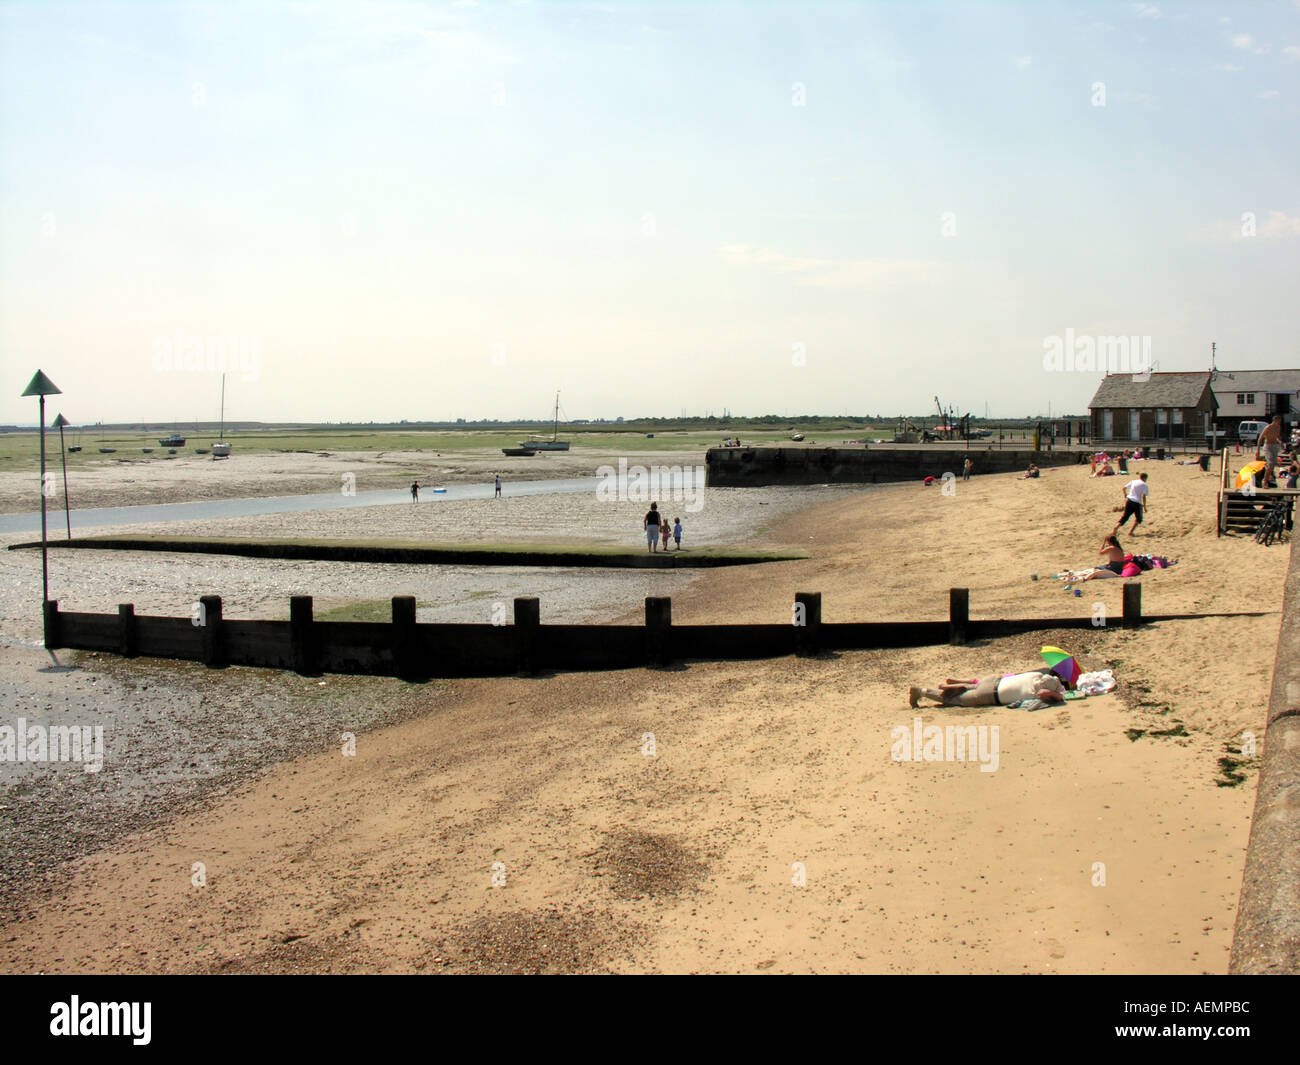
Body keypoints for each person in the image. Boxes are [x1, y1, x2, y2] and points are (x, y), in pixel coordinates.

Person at [909, 670, 1065, 708]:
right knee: (954, 700)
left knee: (973, 685)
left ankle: (955, 685)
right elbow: (1046, 694)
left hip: (993, 680)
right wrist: (1056, 696)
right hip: (991, 695)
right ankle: (921, 691)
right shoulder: (1038, 692)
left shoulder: (1036, 674)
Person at [1257, 415, 1284, 488]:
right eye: (1278, 421)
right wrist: (1257, 451)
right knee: (1271, 463)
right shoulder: (1268, 427)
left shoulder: (1278, 427)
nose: (1279, 422)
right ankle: (1264, 481)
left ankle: (1267, 479)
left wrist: (1280, 441)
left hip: (1274, 446)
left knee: (1272, 465)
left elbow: (1277, 436)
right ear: (1275, 420)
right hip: (1268, 446)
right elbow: (1260, 438)